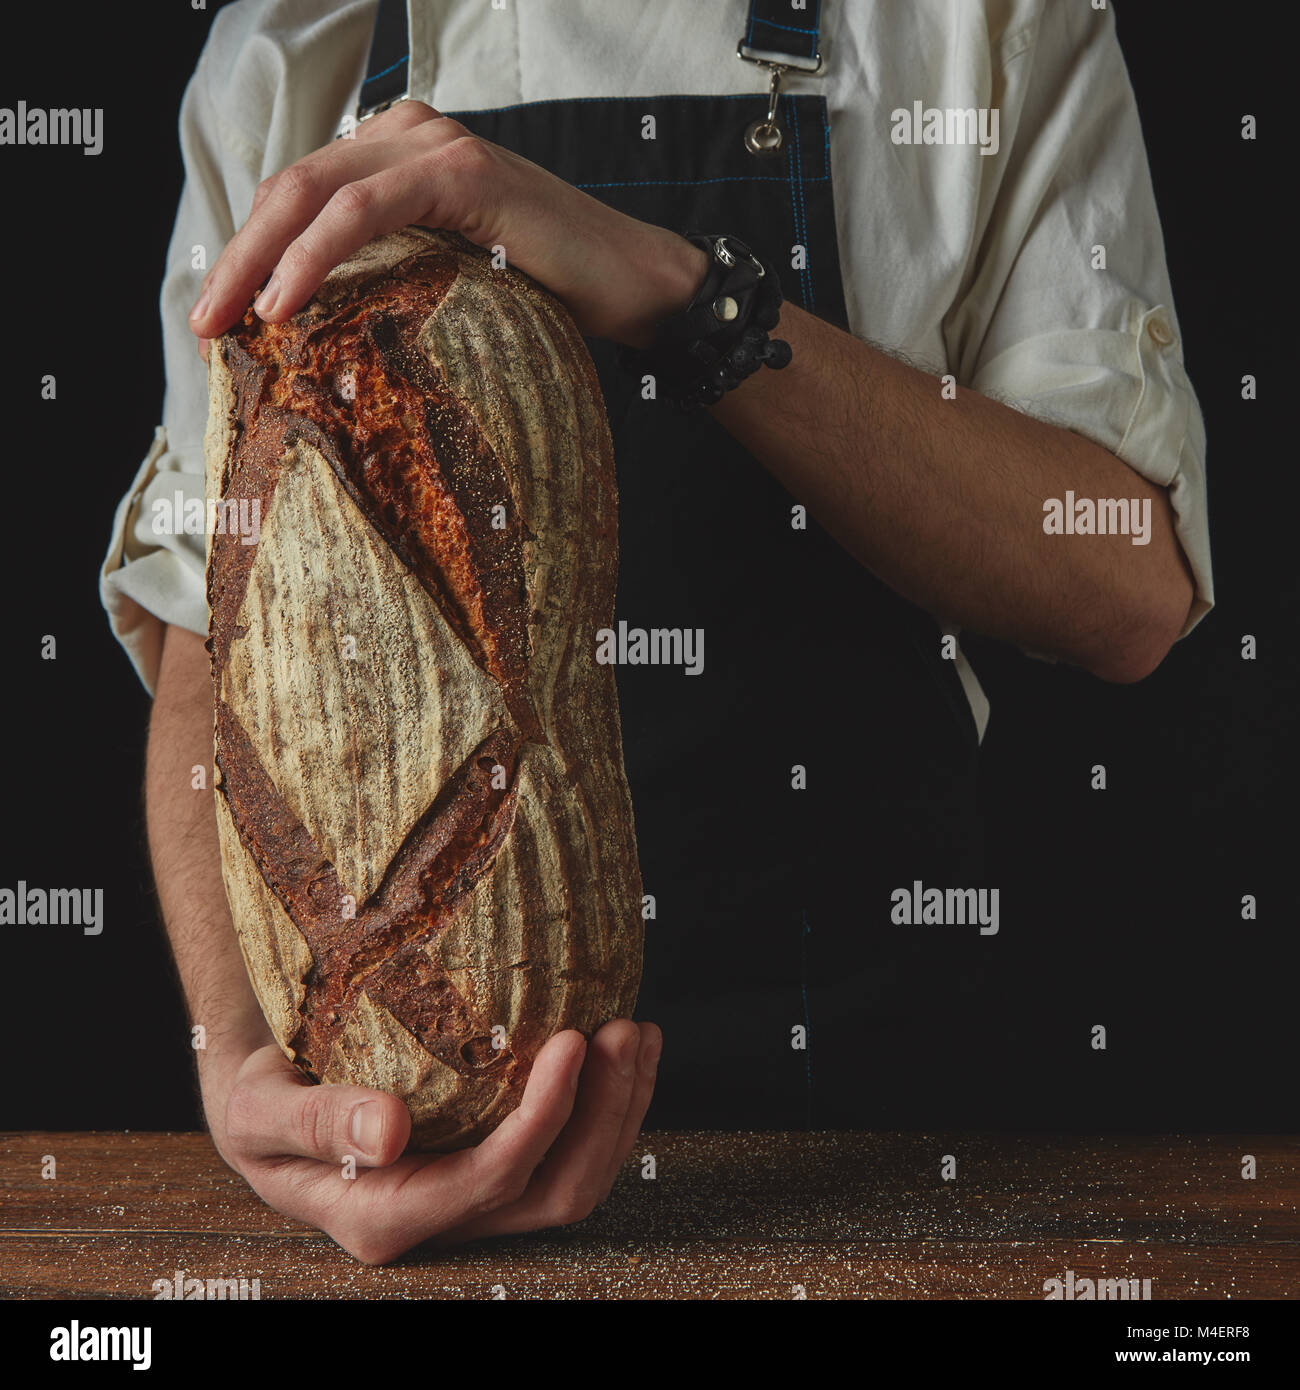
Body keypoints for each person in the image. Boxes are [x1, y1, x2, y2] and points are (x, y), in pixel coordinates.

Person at [100, 0, 1212, 1265]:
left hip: (869, 1155)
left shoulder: (975, 28)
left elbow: (1127, 587)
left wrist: (690, 298)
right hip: (405, 1158)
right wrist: (243, 1056)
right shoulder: (292, 47)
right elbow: (210, 612)